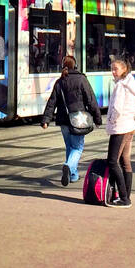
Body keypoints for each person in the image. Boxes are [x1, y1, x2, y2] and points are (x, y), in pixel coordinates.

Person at [41, 56, 102, 185]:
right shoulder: (81, 79)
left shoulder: (60, 81)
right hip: (78, 120)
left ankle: (73, 175)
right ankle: (69, 166)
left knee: (70, 147)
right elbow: (91, 100)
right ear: (76, 65)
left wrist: (46, 119)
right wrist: (97, 118)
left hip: (63, 120)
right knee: (78, 148)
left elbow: (52, 102)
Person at [104, 55, 135, 207]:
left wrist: (111, 120)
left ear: (124, 69)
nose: (113, 72)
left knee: (112, 161)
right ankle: (126, 196)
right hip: (130, 125)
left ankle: (123, 197)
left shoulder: (120, 86)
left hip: (120, 127)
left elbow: (117, 108)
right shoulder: (130, 84)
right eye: (112, 69)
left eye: (116, 69)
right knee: (125, 162)